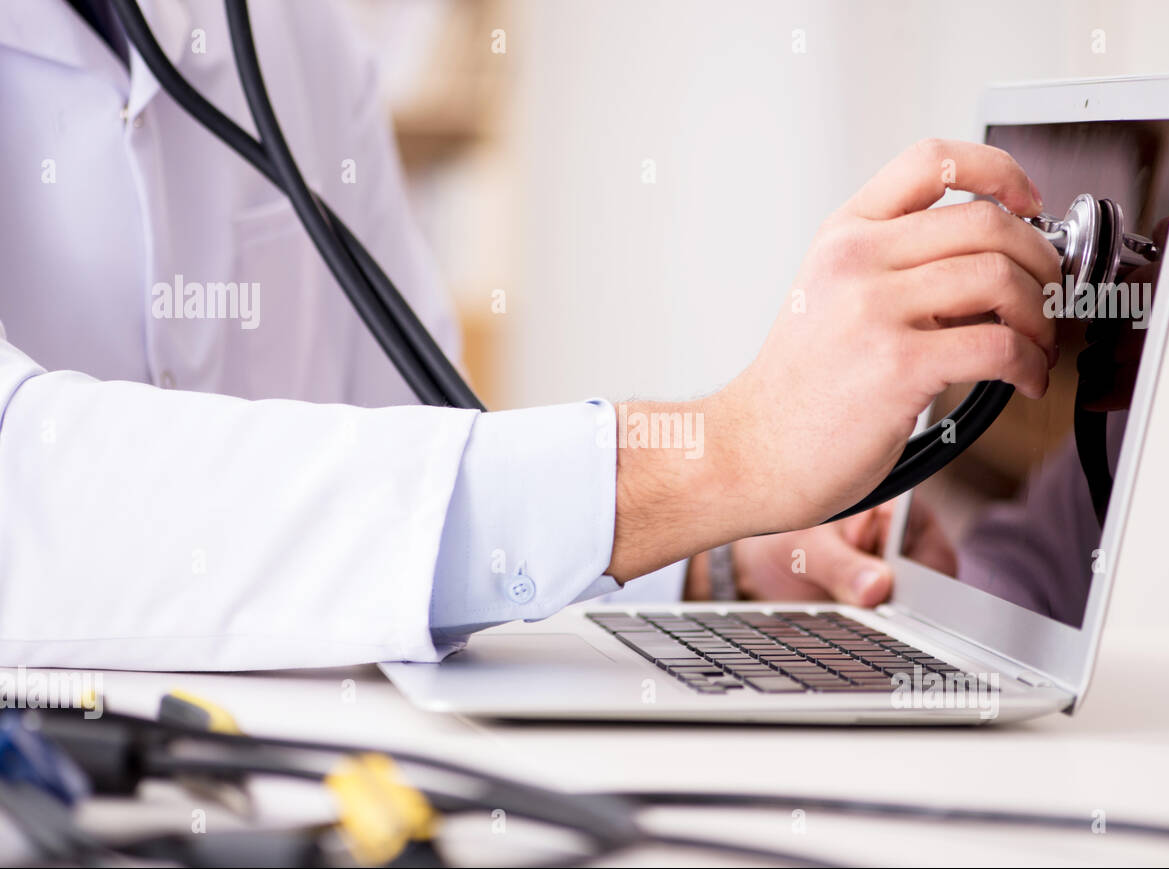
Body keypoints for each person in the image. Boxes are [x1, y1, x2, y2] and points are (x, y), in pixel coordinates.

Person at [0, 0, 1058, 670]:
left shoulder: (285, 31)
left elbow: (417, 453)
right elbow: (30, 502)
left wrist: (721, 557)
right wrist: (727, 451)